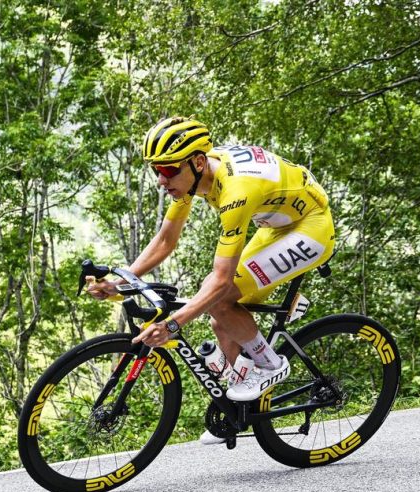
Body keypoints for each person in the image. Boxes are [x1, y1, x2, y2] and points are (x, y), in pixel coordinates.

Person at [86, 116, 335, 444]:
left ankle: (271, 364)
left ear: (198, 162)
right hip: (277, 224)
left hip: (311, 227)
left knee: (219, 297)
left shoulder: (235, 193)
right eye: (156, 170)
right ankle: (235, 410)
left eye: (169, 170)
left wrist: (173, 325)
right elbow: (165, 241)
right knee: (222, 321)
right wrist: (121, 283)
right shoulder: (190, 176)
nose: (162, 180)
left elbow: (219, 283)